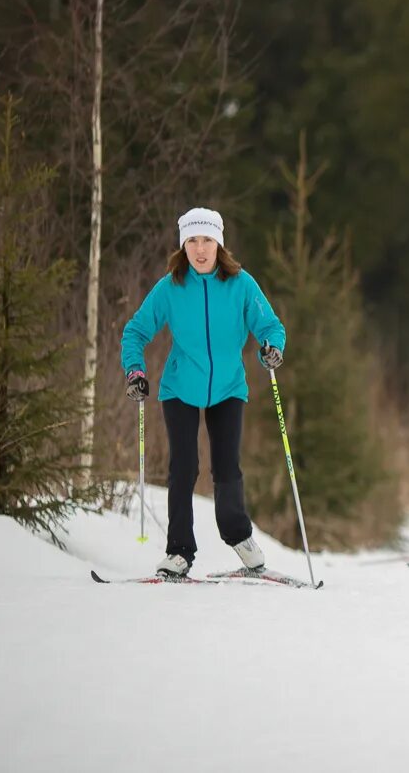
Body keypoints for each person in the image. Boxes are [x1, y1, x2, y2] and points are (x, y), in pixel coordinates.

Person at [119, 208, 287, 578]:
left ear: (219, 244)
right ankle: (179, 552)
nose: (199, 249)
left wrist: (272, 347)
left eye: (207, 240)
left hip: (228, 387)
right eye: (192, 241)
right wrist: (135, 371)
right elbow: (135, 332)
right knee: (184, 466)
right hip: (180, 387)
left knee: (226, 466)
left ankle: (239, 536)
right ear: (183, 246)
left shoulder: (241, 284)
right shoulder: (170, 287)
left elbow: (270, 326)